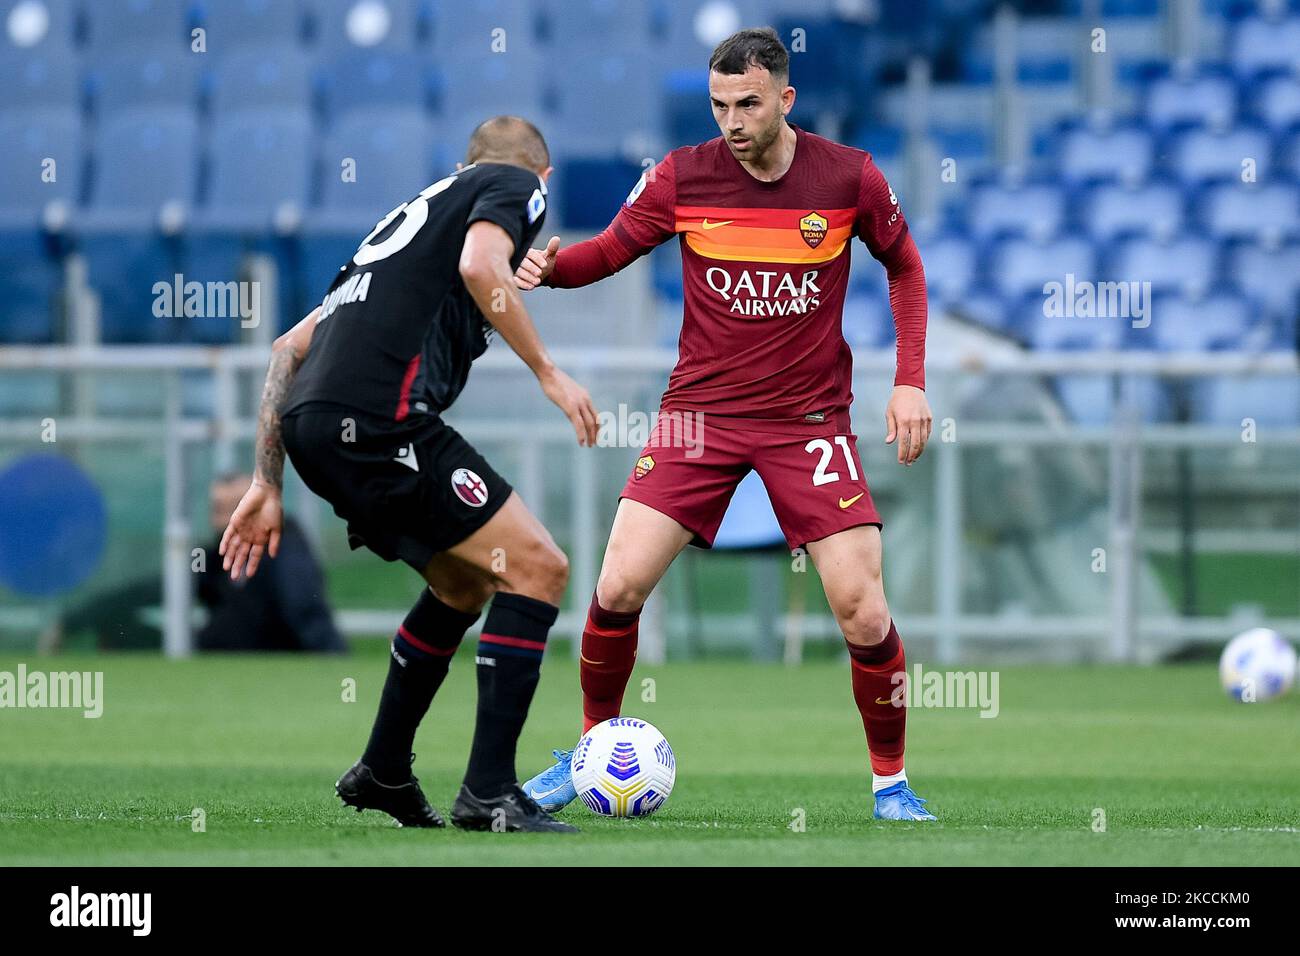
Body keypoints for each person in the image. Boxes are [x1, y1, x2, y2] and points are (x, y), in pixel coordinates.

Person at [517, 29, 937, 821]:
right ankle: (590, 755)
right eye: (719, 106)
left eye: (747, 104)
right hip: (696, 419)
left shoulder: (848, 178)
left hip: (808, 421)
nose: (732, 122)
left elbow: (906, 266)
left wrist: (910, 382)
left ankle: (891, 784)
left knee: (862, 608)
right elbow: (607, 251)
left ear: (785, 98)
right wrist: (550, 268)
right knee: (617, 585)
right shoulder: (683, 175)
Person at [220, 116, 598, 833]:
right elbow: (481, 266)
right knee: (539, 568)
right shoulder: (517, 182)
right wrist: (549, 372)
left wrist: (267, 482)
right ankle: (489, 792)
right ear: (538, 179)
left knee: (462, 581)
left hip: (316, 430)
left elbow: (284, 349)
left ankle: (384, 770)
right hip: (383, 421)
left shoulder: (398, 232)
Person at [197, 472, 346, 653]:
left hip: (280, 660)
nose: (227, 519)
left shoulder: (284, 545)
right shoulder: (214, 555)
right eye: (219, 510)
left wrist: (330, 656)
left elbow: (304, 606)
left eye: (236, 507)